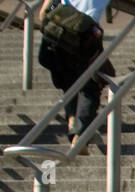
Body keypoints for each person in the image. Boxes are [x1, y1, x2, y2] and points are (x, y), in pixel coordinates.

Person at [37, 0, 113, 144]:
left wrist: (49, 12)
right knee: (90, 86)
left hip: (61, 31)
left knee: (69, 81)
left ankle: (72, 117)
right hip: (85, 33)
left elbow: (49, 7)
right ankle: (80, 134)